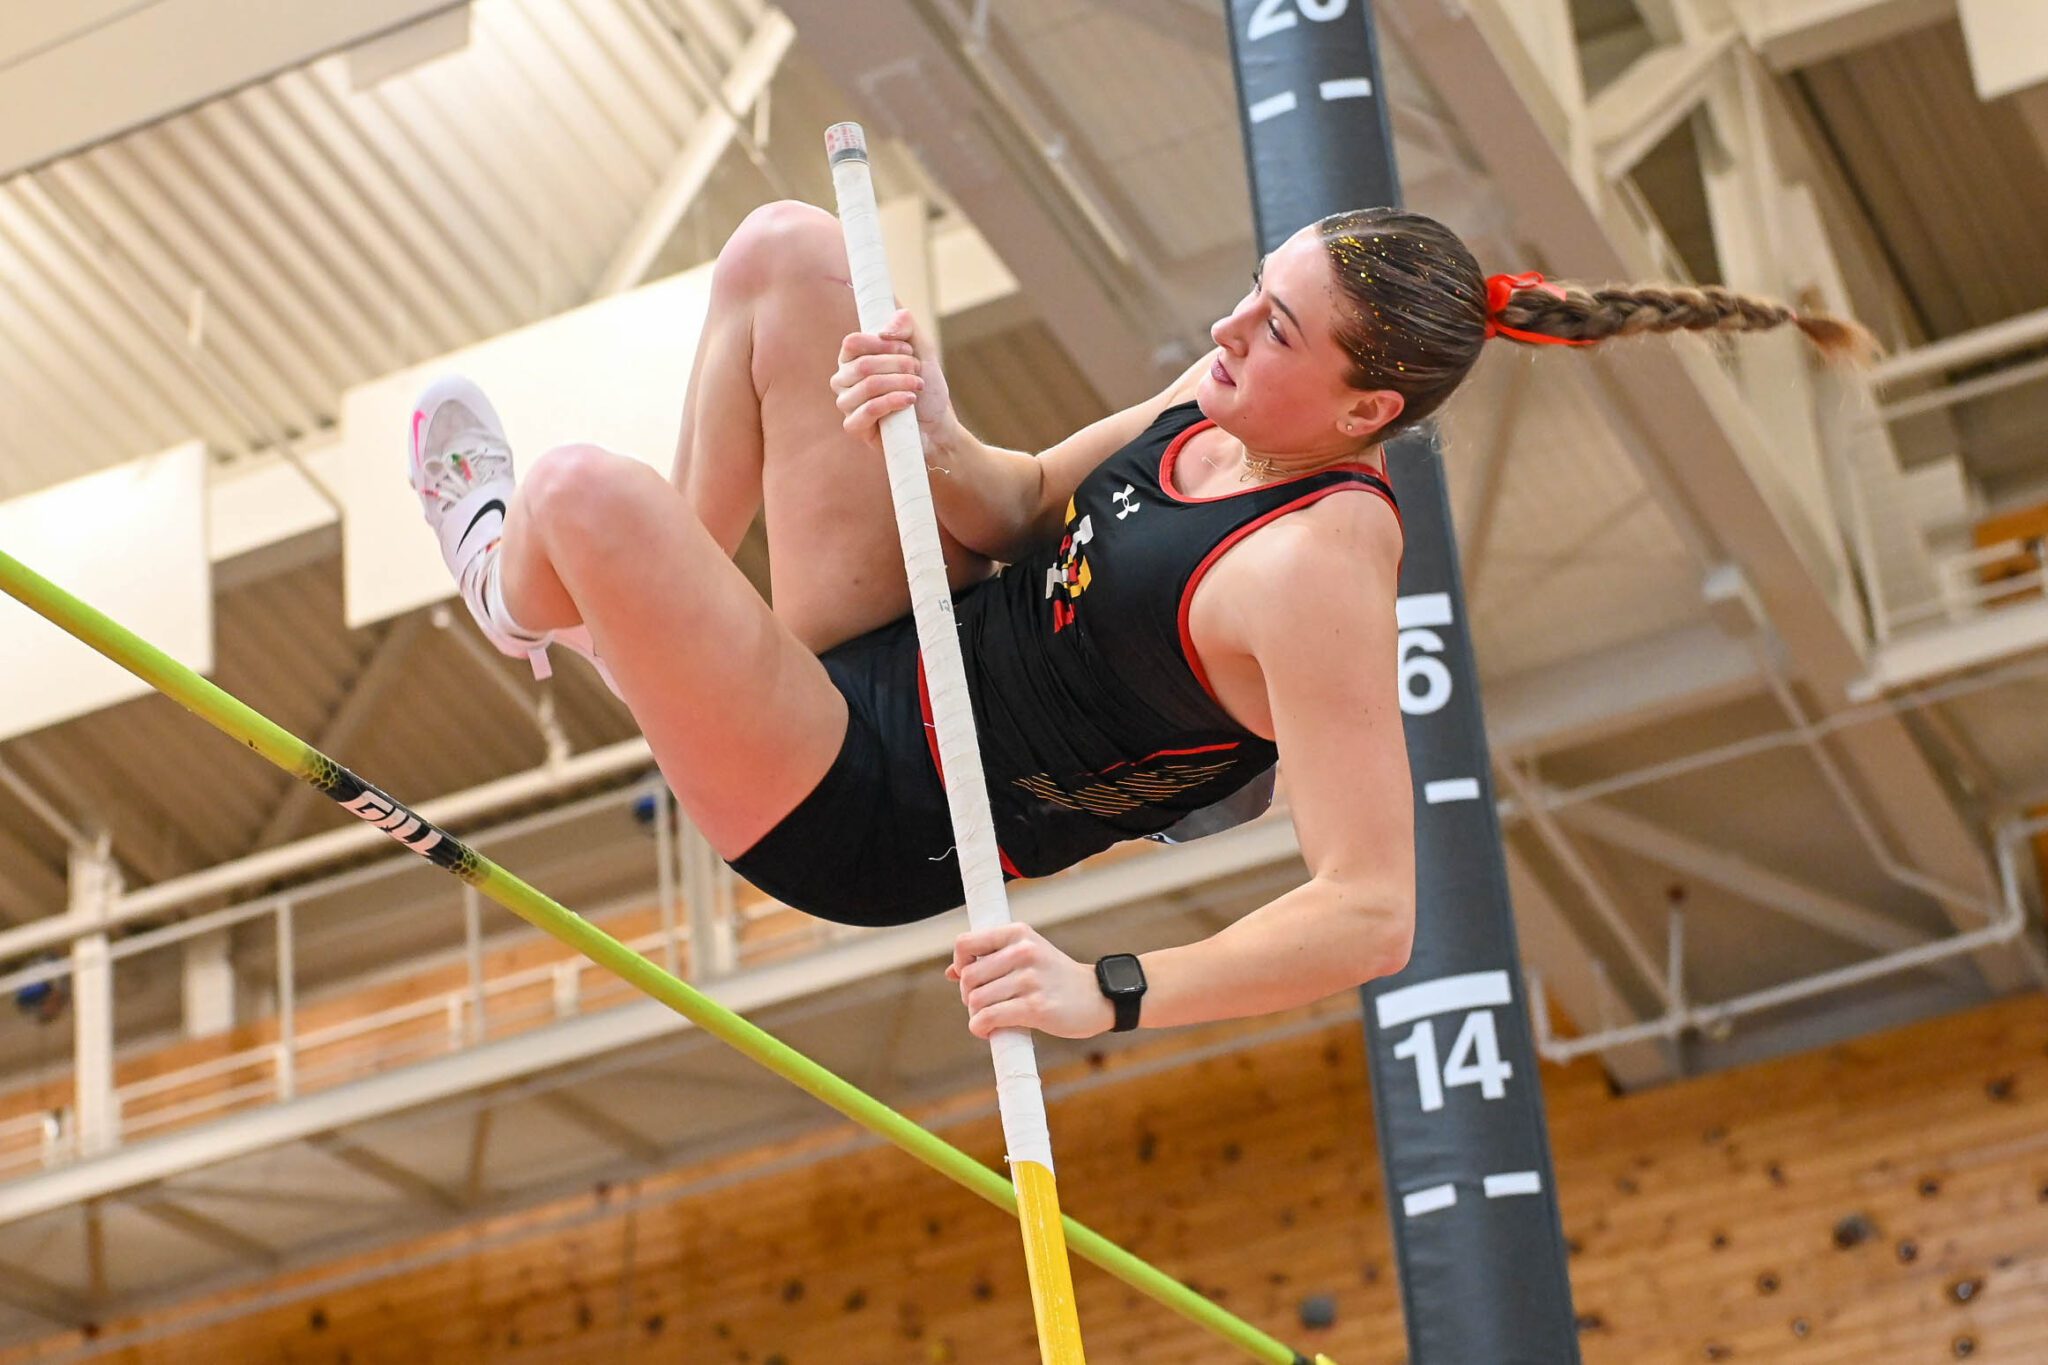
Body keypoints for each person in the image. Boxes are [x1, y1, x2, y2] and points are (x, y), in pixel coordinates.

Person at [406, 201, 1866, 1043]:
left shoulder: (1319, 572)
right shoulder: (1222, 403)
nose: (1227, 332)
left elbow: (1373, 910)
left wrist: (1108, 993)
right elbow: (1017, 500)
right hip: (917, 638)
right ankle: (647, 622)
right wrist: (930, 426)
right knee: (788, 252)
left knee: (580, 493)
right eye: (1253, 294)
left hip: (886, 808)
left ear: (1365, 410)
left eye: (1274, 331)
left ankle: (521, 587)